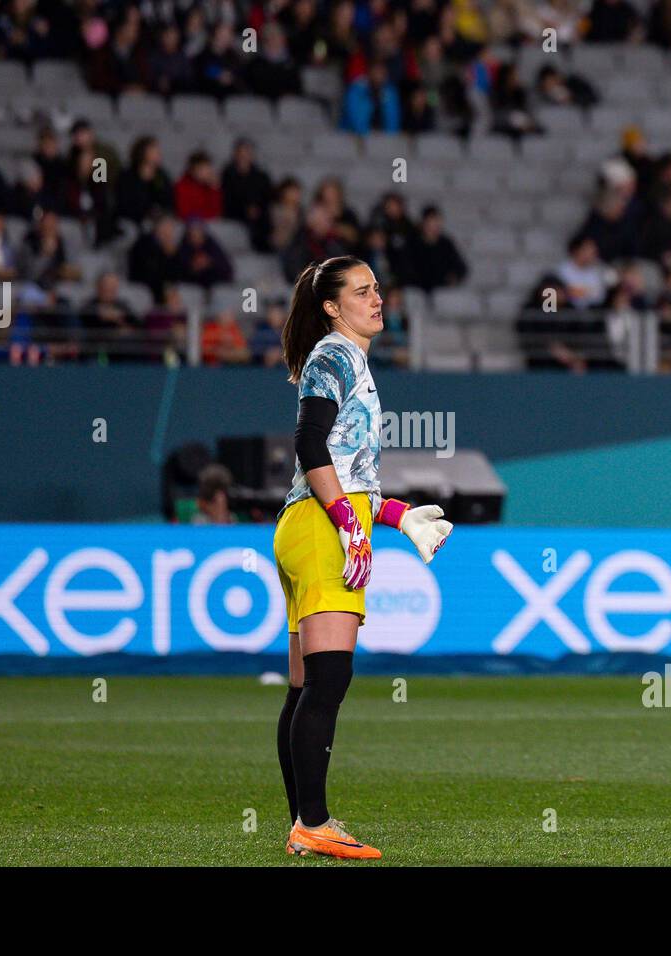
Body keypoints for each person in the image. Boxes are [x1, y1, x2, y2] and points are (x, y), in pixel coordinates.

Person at [272, 256, 452, 860]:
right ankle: (313, 823)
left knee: (305, 686)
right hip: (322, 525)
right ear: (331, 305)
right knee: (330, 678)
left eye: (378, 288)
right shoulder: (334, 355)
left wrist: (398, 517)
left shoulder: (349, 361)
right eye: (363, 290)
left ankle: (305, 822)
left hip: (306, 521)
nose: (378, 298)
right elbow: (308, 442)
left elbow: (345, 469)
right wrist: (348, 521)